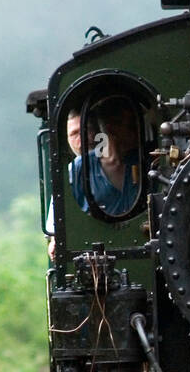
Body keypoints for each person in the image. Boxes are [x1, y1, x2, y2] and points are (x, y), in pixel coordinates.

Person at [45, 101, 140, 260]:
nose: (81, 138)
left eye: (86, 130)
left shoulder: (145, 163)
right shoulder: (77, 170)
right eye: (74, 134)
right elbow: (57, 221)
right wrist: (55, 240)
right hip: (95, 255)